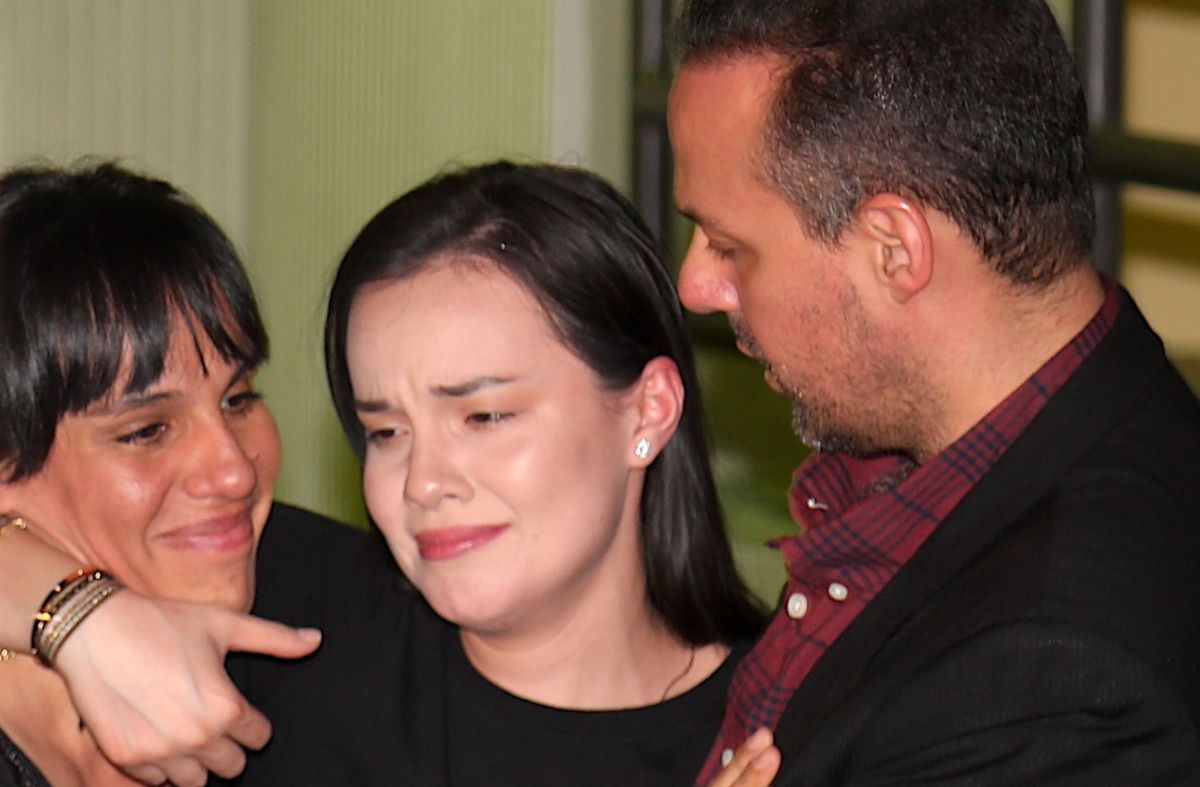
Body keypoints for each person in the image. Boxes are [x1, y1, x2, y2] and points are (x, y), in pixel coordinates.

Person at [0, 160, 766, 784]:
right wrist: (82, 617)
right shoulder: (288, 619)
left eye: (484, 416)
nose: (423, 482)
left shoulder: (783, 718)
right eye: (385, 430)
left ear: (647, 411)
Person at [668, 0, 1200, 784]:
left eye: (728, 245)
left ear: (894, 248)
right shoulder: (1081, 420)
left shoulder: (1047, 689)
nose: (695, 286)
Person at [0, 162, 324, 786]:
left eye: (239, 399)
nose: (234, 472)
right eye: (146, 431)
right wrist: (74, 613)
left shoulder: (313, 596)